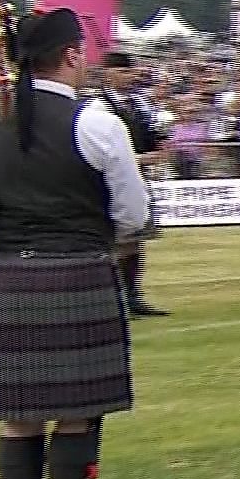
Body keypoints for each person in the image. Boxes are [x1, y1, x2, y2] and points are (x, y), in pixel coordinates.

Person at [0, 9, 148, 479]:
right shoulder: (96, 123)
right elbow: (133, 211)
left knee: (21, 413)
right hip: (78, 270)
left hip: (9, 275)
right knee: (77, 412)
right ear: (71, 56)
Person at [96, 52, 167, 316]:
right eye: (123, 72)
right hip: (112, 179)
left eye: (130, 72)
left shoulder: (139, 103)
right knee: (116, 241)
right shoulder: (97, 106)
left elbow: (151, 133)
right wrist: (141, 157)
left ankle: (133, 296)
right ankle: (113, 299)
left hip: (137, 175)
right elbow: (105, 149)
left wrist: (158, 145)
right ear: (108, 73)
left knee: (135, 239)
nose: (129, 77)